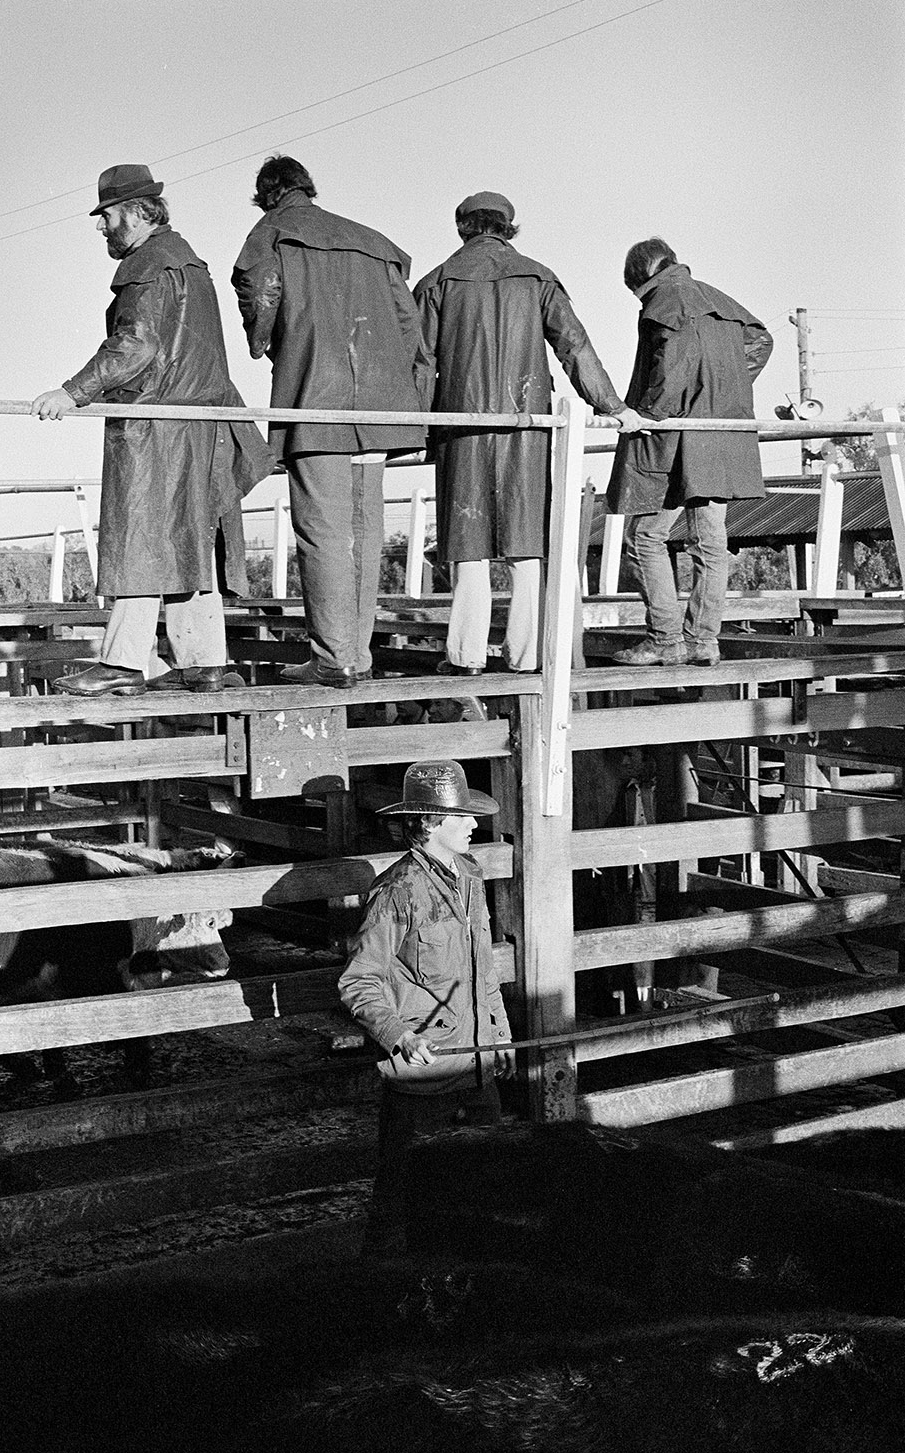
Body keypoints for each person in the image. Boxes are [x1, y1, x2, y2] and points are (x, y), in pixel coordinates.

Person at [32, 164, 273, 696]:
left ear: (140, 213)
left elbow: (135, 345)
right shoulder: (188, 262)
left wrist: (71, 391)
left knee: (141, 539)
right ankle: (206, 662)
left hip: (158, 425)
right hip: (202, 424)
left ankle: (121, 664)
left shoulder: (147, 264)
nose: (102, 227)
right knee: (191, 542)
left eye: (108, 215)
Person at [413, 192, 648, 676]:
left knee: (467, 541)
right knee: (528, 542)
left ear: (462, 228)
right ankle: (525, 656)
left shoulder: (438, 282)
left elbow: (420, 365)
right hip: (528, 427)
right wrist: (614, 407)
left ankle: (465, 656)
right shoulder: (538, 278)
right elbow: (575, 348)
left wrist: (416, 433)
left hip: (464, 429)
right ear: (509, 228)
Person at [232, 156, 431, 688]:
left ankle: (333, 656)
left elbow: (259, 295)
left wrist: (266, 342)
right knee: (364, 531)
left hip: (316, 404)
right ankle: (354, 653)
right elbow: (409, 325)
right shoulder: (372, 240)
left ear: (267, 195)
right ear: (309, 188)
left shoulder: (271, 231)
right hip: (377, 408)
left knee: (322, 529)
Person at [338, 758, 513, 1256]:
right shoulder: (397, 891)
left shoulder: (471, 877)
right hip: (424, 1076)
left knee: (485, 1193)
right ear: (431, 824)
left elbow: (483, 968)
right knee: (399, 1200)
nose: (475, 825)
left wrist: (499, 1035)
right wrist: (398, 1036)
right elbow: (360, 978)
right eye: (464, 818)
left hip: (478, 1067)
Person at [607, 237, 774, 667]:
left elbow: (671, 367)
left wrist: (647, 414)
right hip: (718, 436)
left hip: (674, 438)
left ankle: (665, 641)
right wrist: (723, 391)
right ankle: (703, 641)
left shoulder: (664, 301)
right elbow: (761, 341)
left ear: (641, 279)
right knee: (710, 543)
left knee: (644, 536)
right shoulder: (716, 297)